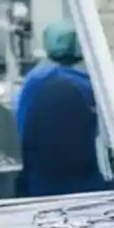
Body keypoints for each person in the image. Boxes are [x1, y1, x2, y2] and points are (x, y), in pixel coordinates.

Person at [14, 20, 106, 197]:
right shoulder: (86, 82)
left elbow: (23, 123)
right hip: (84, 178)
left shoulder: (35, 79)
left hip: (44, 176)